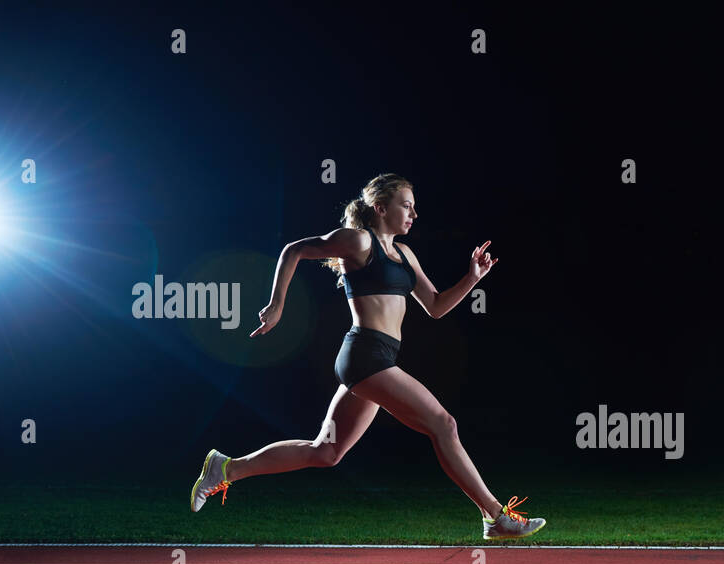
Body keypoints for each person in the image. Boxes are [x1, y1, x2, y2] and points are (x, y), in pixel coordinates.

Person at [189, 172, 545, 541]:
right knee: (445, 424)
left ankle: (226, 468)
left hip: (378, 358)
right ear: (380, 207)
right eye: (406, 205)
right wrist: (277, 305)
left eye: (413, 206)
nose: (414, 214)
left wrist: (472, 278)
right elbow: (293, 250)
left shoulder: (405, 254)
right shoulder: (358, 241)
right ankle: (494, 516)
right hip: (365, 355)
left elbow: (436, 306)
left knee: (326, 452)